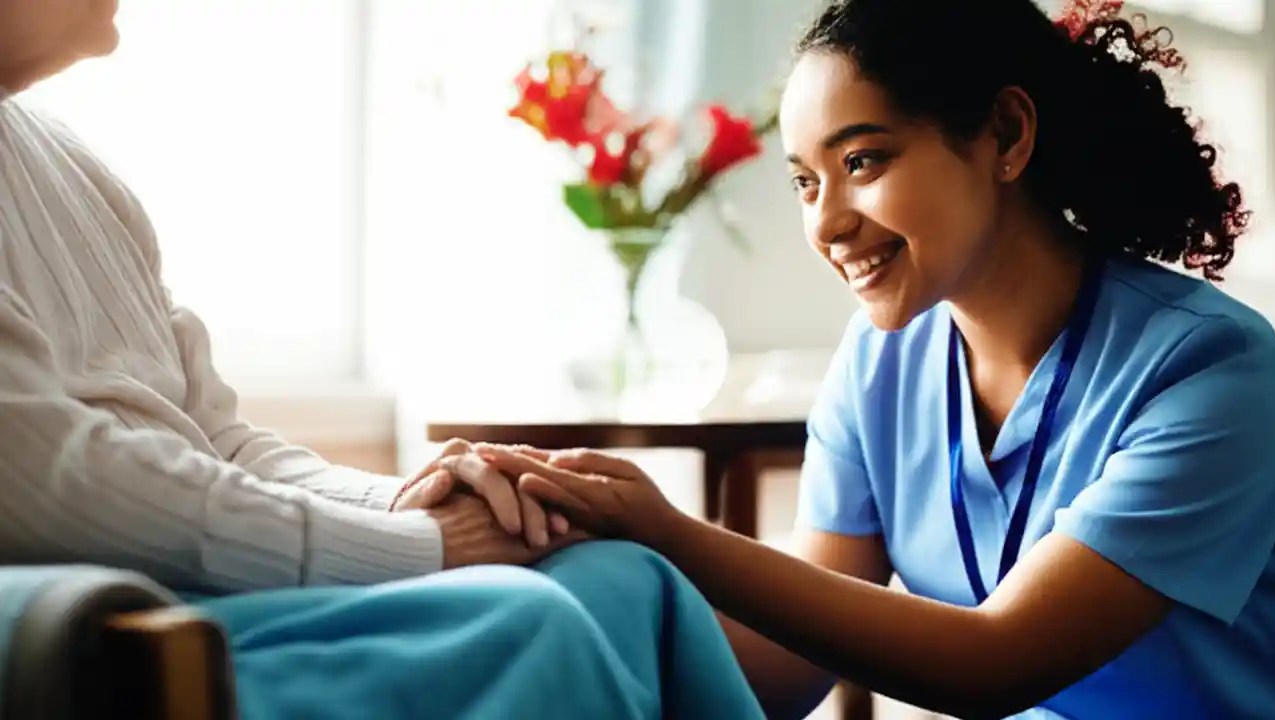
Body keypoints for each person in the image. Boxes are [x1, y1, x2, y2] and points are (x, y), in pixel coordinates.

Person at [458, 1, 1275, 717]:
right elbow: (788, 670)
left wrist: (663, 530)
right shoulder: (880, 360)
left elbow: (999, 663)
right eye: (805, 183)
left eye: (862, 161)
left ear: (1006, 134)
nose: (826, 225)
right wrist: (557, 555)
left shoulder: (1214, 369)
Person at [0, 2, 764, 718]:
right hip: (131, 614)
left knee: (621, 577)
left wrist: (405, 503)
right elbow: (43, 480)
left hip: (213, 581)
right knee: (527, 621)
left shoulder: (76, 168)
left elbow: (220, 443)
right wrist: (423, 546)